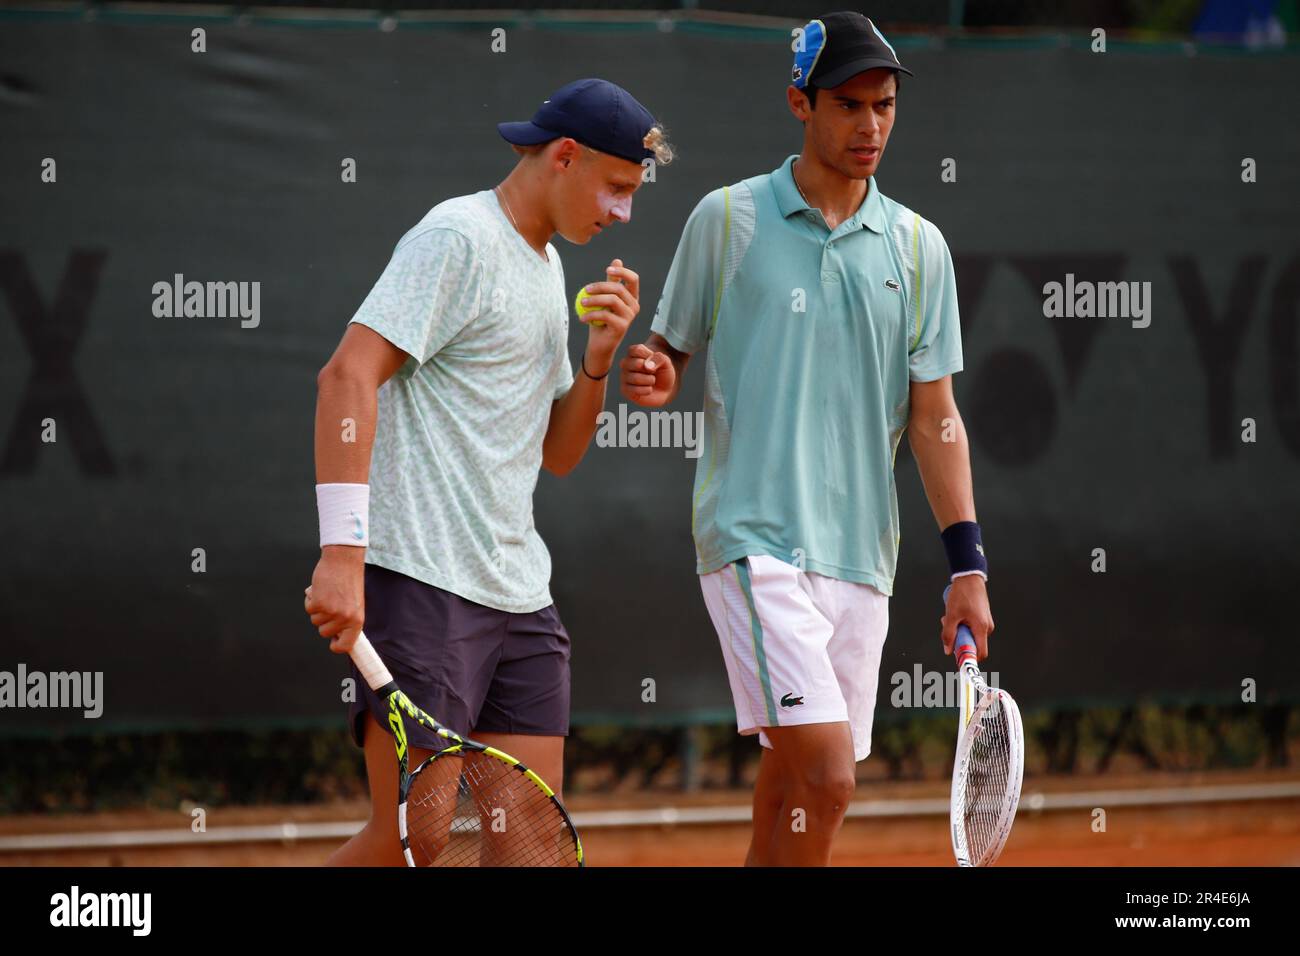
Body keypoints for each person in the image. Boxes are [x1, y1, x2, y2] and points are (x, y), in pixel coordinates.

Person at [619, 12, 993, 866]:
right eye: (849, 106)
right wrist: (653, 376)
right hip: (754, 542)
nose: (870, 127)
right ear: (800, 103)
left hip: (862, 558)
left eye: (886, 107)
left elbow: (936, 417)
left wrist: (967, 566)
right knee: (829, 778)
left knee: (790, 790)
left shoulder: (919, 247)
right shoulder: (727, 219)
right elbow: (669, 355)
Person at [304, 78, 672, 865]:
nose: (622, 213)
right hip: (422, 583)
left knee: (526, 846)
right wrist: (343, 555)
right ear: (565, 157)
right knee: (415, 838)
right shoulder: (458, 237)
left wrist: (598, 361)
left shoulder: (545, 270)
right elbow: (346, 377)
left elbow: (559, 454)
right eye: (616, 188)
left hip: (519, 600)